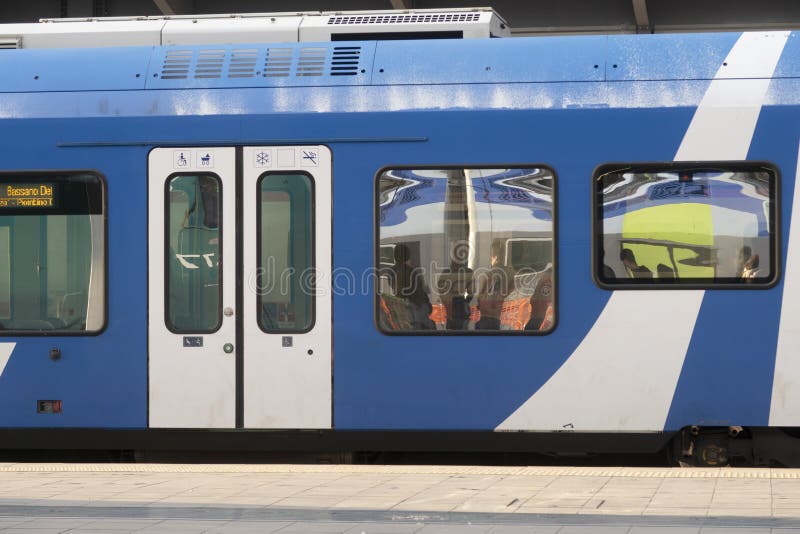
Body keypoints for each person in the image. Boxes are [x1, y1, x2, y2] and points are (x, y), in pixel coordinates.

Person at [392, 244, 435, 330]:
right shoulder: (412, 271)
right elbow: (418, 288)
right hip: (417, 304)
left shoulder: (391, 271)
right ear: (407, 255)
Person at [476, 241, 514, 330]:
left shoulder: (488, 273)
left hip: (487, 315)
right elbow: (512, 287)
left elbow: (480, 295)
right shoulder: (509, 273)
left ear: (493, 256)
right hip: (495, 315)